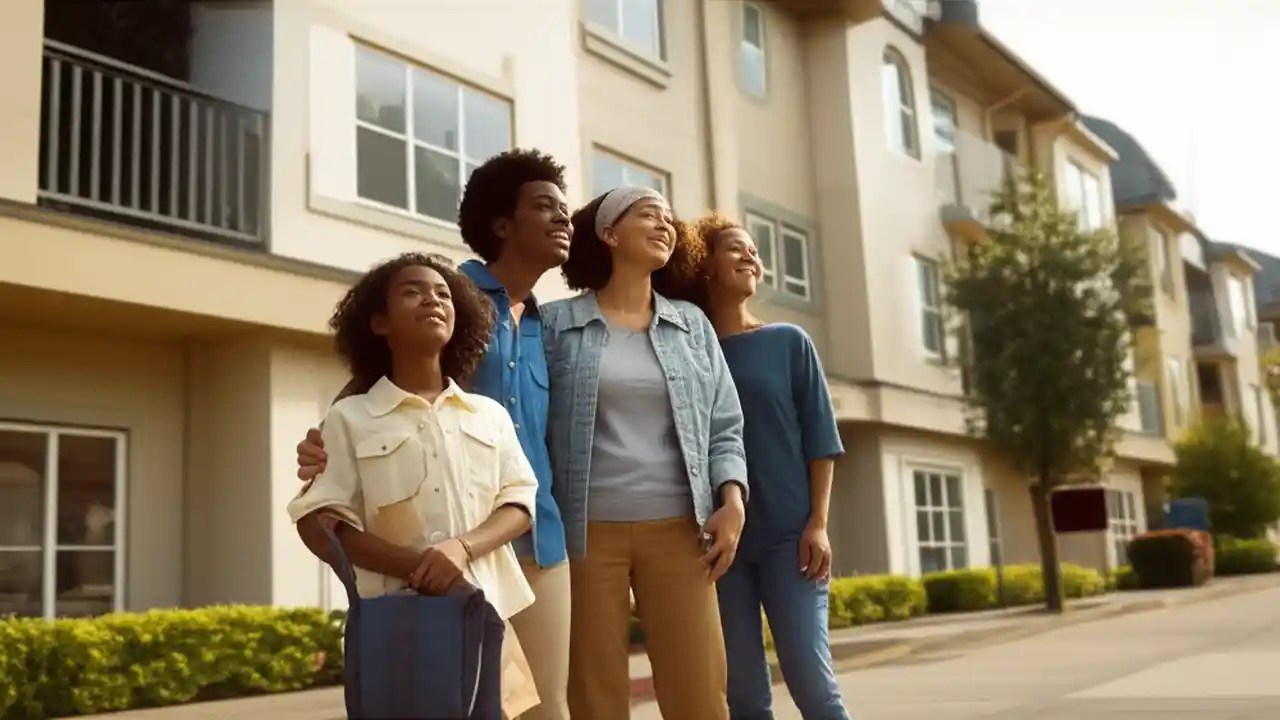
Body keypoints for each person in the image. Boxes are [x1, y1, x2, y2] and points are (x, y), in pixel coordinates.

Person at [293, 149, 575, 719]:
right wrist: (324, 438)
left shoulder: (550, 324)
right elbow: (377, 388)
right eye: (546, 207)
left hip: (534, 542)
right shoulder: (453, 290)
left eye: (565, 210)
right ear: (502, 224)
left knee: (539, 707)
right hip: (420, 574)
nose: (565, 220)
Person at [286, 252, 539, 716]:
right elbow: (322, 521)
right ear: (379, 323)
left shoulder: (490, 416)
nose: (433, 300)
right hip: (396, 622)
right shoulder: (351, 417)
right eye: (412, 291)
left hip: (485, 616)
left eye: (444, 293)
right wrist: (418, 566)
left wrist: (461, 549)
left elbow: (520, 503)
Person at [543, 186, 748, 720]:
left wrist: (733, 500)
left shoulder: (691, 325)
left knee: (700, 694)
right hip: (585, 533)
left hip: (682, 529)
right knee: (594, 696)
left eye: (667, 218)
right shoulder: (555, 326)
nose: (664, 225)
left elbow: (724, 424)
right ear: (609, 234)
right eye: (646, 215)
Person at [679, 213, 850, 719]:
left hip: (789, 539)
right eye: (736, 248)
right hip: (717, 547)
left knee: (814, 686)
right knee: (746, 698)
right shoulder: (686, 351)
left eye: (754, 250)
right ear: (703, 266)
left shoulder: (789, 343)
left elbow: (821, 439)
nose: (751, 256)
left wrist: (818, 523)